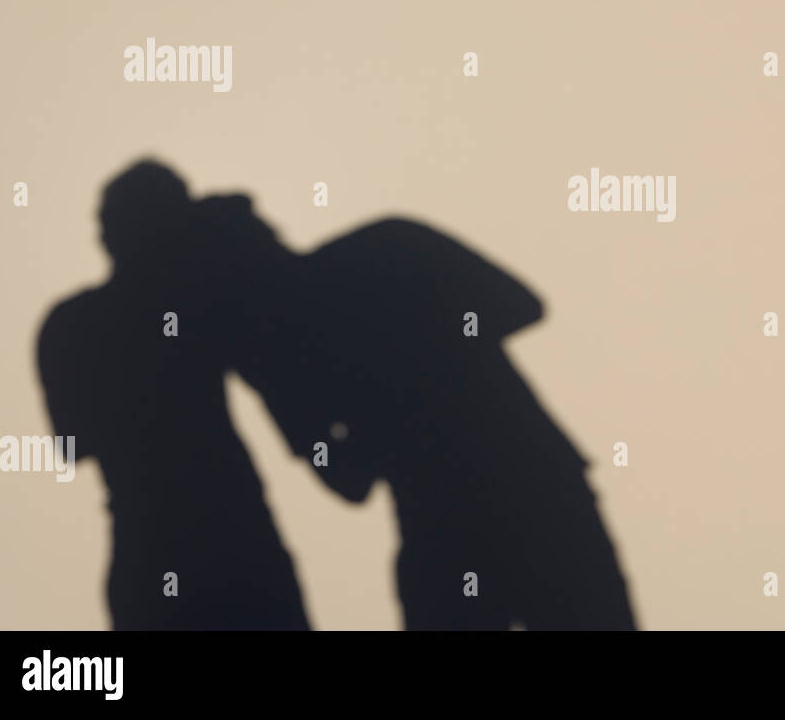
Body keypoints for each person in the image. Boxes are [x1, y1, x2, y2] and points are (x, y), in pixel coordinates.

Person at [188, 187, 637, 630]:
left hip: (487, 514)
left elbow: (347, 477)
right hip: (494, 512)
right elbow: (347, 479)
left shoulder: (297, 338)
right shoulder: (383, 250)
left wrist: (379, 401)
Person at [36, 162, 310, 630]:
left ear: (106, 236)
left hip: (159, 553)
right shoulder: (193, 301)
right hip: (234, 548)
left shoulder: (71, 324)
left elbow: (72, 443)